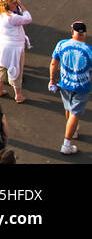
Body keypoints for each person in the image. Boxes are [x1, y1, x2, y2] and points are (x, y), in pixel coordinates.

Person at [49, 20, 92, 155]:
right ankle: (66, 145)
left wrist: (52, 80)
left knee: (68, 108)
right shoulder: (89, 51)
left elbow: (53, 64)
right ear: (84, 34)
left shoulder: (61, 44)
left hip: (65, 84)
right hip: (82, 87)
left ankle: (72, 132)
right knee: (75, 113)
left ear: (72, 31)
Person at [0, 0, 32, 102]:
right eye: (14, 4)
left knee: (1, 67)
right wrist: (22, 6)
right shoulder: (12, 17)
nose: (16, 5)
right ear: (9, 5)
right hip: (14, 48)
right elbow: (28, 19)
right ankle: (18, 95)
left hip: (0, 44)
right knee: (16, 70)